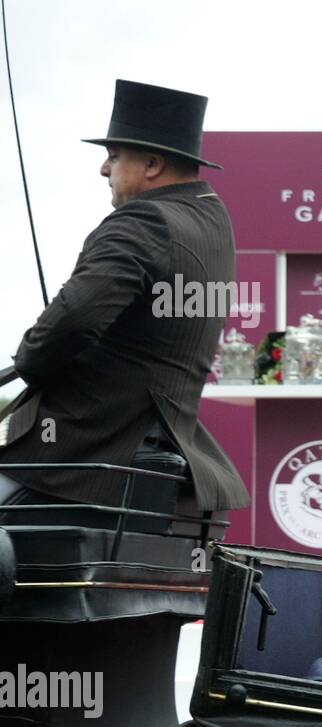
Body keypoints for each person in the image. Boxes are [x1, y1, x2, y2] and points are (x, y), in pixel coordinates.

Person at [0, 80, 248, 518]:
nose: (103, 169)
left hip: (84, 456)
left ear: (152, 163)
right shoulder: (213, 219)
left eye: (114, 156)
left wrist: (30, 359)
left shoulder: (143, 219)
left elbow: (75, 317)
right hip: (159, 454)